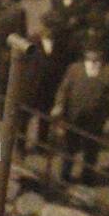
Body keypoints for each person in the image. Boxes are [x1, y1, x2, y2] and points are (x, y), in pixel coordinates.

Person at [52, 44, 109, 182]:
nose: (93, 55)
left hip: (96, 117)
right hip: (74, 114)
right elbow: (64, 89)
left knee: (91, 149)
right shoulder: (75, 68)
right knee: (70, 146)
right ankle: (65, 175)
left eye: (97, 52)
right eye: (90, 52)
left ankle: (88, 176)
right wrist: (59, 105)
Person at [20, 12, 69, 153]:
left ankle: (41, 146)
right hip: (30, 88)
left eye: (53, 28)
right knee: (24, 120)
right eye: (48, 27)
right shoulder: (31, 42)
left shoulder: (62, 45)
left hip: (49, 90)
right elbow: (22, 65)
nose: (50, 31)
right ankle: (20, 147)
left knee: (45, 120)